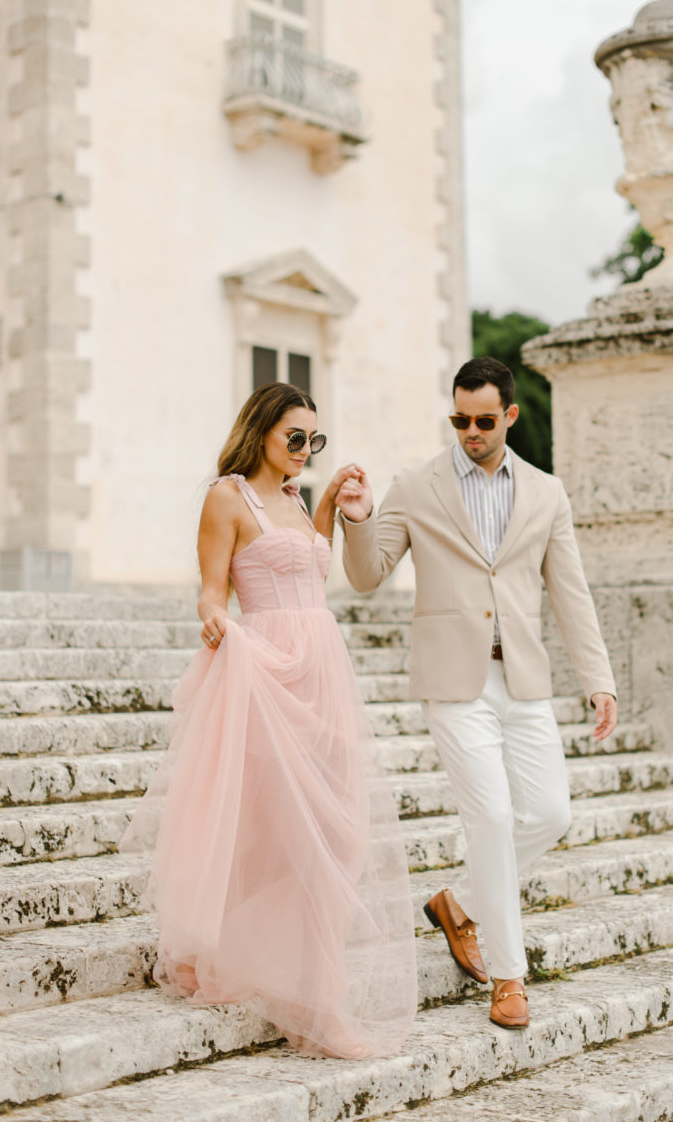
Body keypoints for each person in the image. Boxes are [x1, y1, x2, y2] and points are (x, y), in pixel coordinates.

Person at [121, 382, 417, 1059]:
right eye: (295, 437)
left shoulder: (294, 500)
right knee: (280, 832)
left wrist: (337, 503)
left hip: (323, 674)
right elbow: (212, 585)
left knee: (336, 831)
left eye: (314, 440)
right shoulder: (228, 495)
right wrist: (213, 619)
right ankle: (317, 1001)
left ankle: (302, 976)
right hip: (265, 671)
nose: (304, 451)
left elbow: (309, 567)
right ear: (261, 430)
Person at [337, 356, 617, 1030]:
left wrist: (598, 679)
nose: (469, 431)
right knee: (490, 818)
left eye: (483, 420)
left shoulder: (547, 493)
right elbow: (368, 575)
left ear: (510, 417)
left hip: (524, 681)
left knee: (550, 815)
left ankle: (456, 904)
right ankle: (508, 978)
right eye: (459, 419)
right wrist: (359, 518)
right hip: (454, 684)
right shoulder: (416, 485)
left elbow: (569, 592)